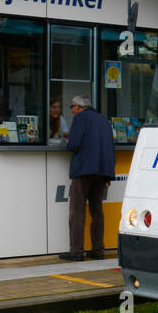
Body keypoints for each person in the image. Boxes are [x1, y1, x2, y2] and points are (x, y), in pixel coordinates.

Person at [60, 94, 115, 262]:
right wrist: (108, 174)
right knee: (97, 212)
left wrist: (67, 142)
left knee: (77, 211)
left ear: (78, 107)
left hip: (83, 170)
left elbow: (74, 144)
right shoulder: (103, 120)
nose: (72, 110)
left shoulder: (80, 118)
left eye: (72, 107)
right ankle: (98, 249)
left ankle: (76, 251)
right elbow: (109, 146)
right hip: (101, 172)